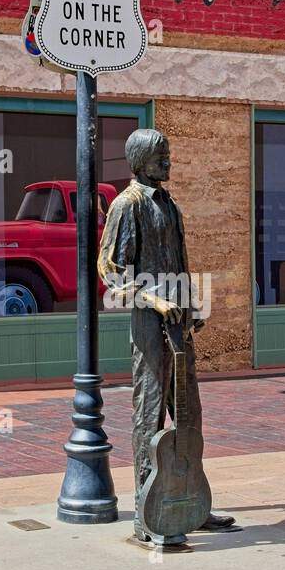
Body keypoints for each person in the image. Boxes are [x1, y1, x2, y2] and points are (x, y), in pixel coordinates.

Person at [98, 128, 236, 540]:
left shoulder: (170, 204)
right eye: (162, 155)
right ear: (140, 160)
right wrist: (154, 302)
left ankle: (192, 501)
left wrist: (192, 307)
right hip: (149, 324)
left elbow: (179, 263)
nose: (169, 162)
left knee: (189, 415)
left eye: (168, 154)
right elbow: (111, 272)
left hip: (179, 326)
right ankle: (147, 512)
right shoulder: (128, 205)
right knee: (150, 413)